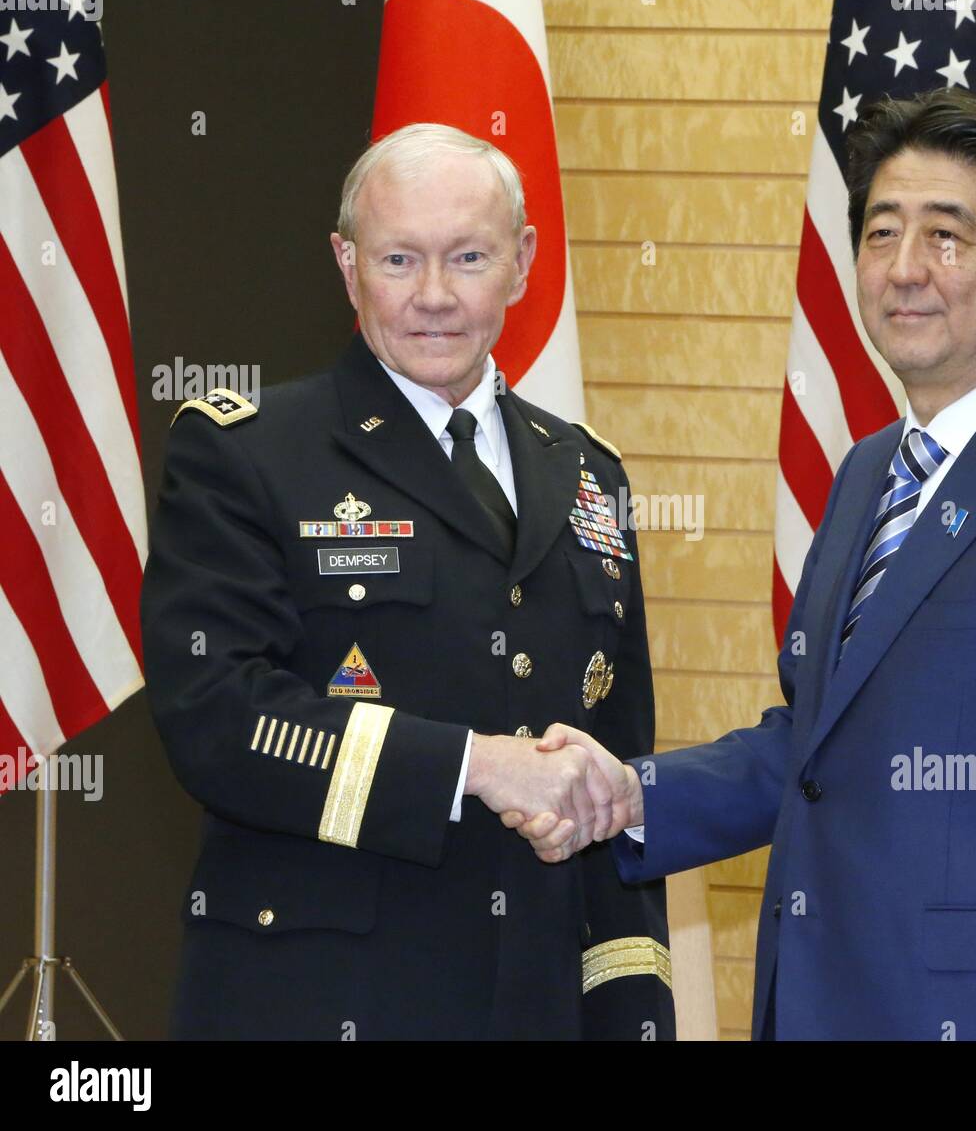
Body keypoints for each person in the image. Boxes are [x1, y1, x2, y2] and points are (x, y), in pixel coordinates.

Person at [505, 90, 976, 1041]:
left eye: (947, 237)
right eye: (881, 233)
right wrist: (634, 797)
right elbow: (818, 750)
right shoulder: (872, 467)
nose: (904, 270)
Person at [140, 123, 673, 1040]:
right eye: (398, 260)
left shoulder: (590, 473)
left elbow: (614, 777)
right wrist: (474, 765)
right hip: (326, 997)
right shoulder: (247, 451)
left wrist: (634, 1010)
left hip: (538, 1004)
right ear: (347, 265)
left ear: (523, 261)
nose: (434, 297)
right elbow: (218, 722)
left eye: (468, 256)